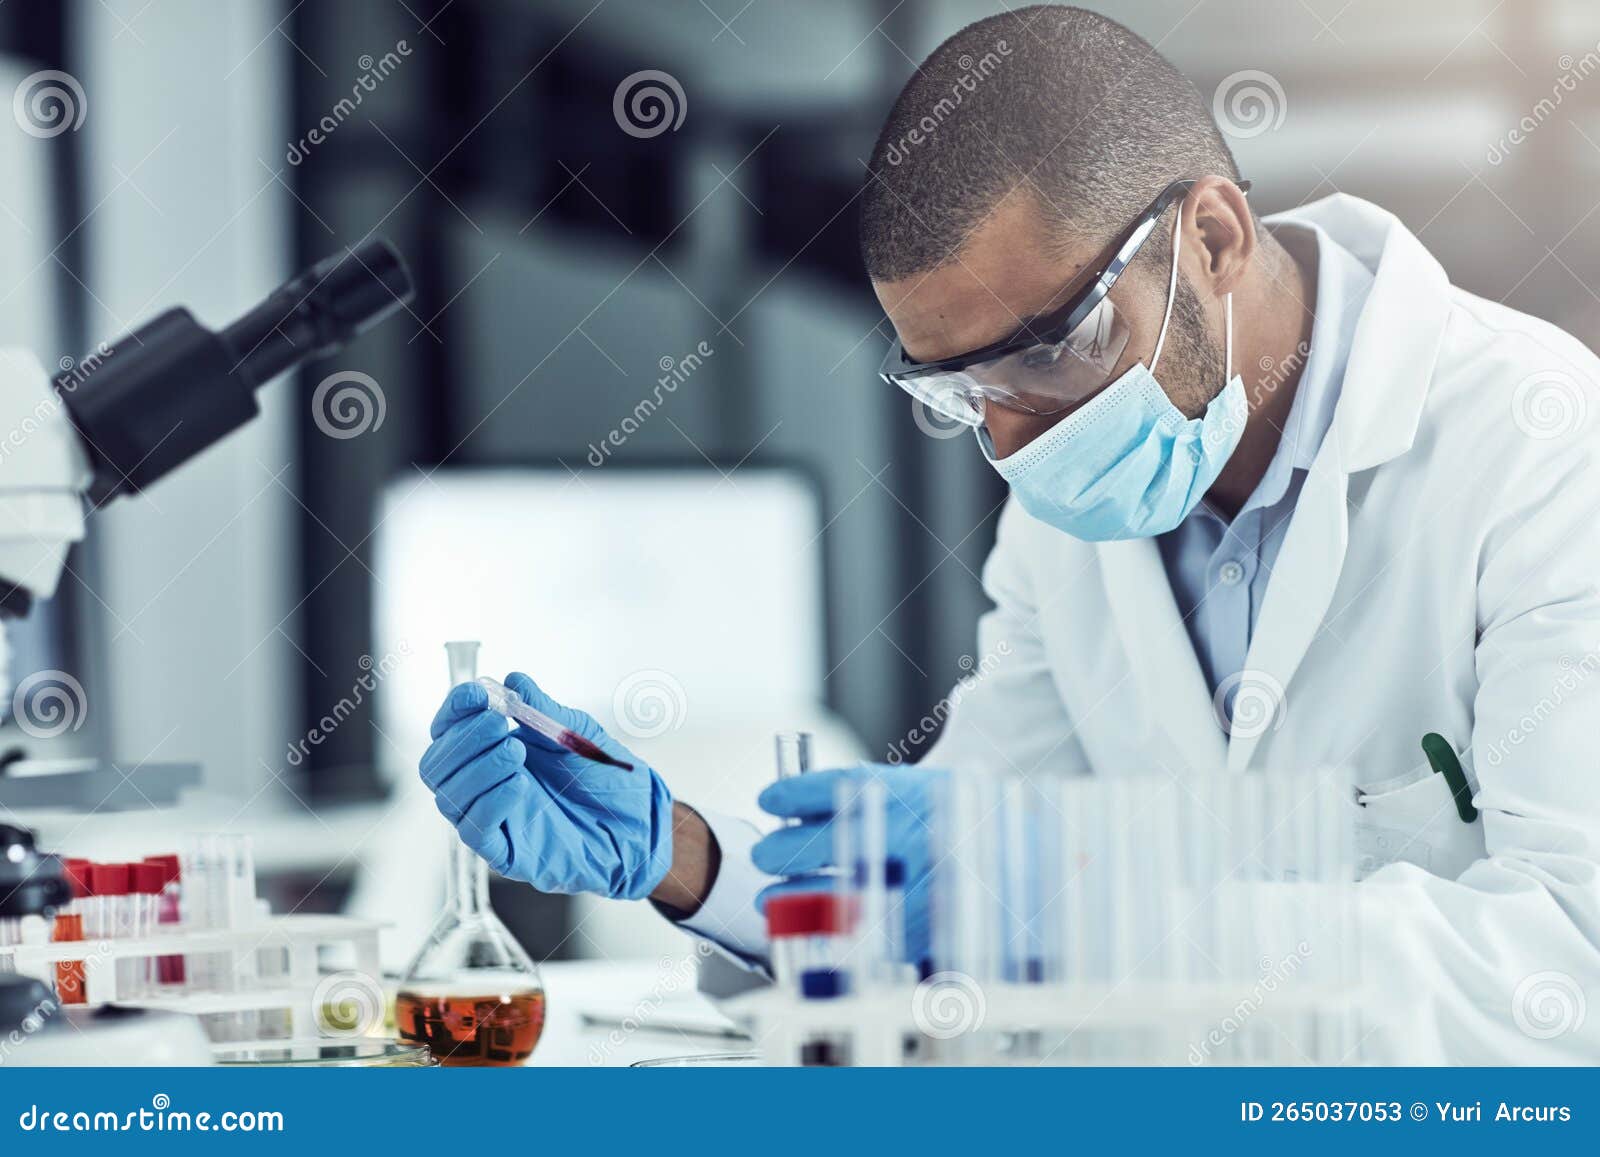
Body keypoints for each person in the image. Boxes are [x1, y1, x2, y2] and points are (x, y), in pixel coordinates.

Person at [416, 5, 1600, 1062]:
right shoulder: (1076, 515)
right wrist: (690, 857)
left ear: (1215, 241)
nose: (1020, 439)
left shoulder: (1541, 455)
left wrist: (1080, 898)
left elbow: (1565, 978)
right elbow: (948, 922)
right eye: (960, 392)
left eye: (1051, 349)